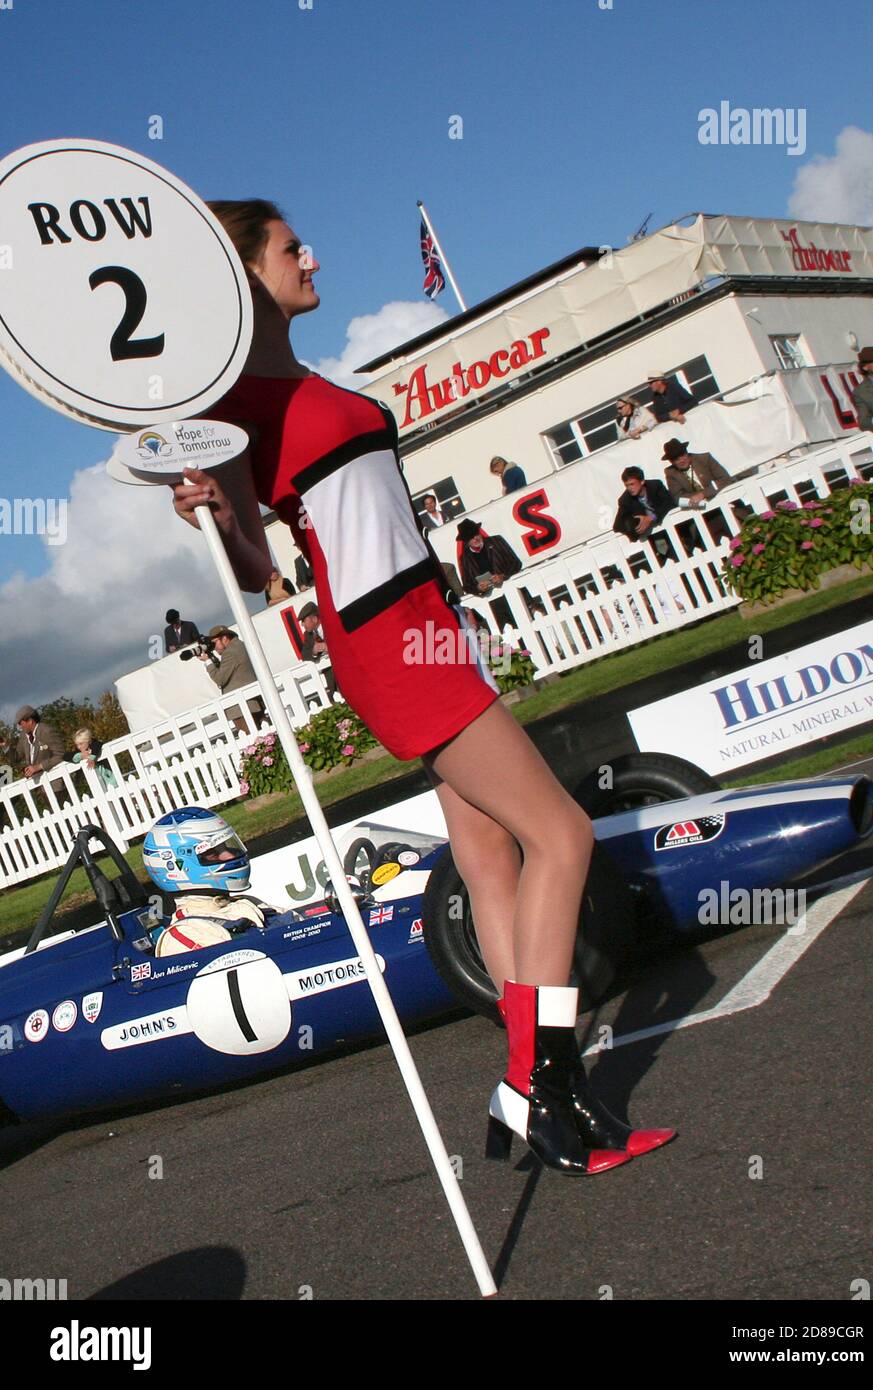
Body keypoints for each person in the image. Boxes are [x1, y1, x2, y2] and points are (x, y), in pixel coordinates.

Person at [171, 198, 673, 1174]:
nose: (311, 255)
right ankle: (542, 1088)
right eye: (288, 248)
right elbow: (249, 568)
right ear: (245, 271)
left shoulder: (307, 378)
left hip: (428, 615)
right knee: (561, 834)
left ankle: (528, 1089)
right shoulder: (230, 412)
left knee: (489, 855)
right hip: (386, 636)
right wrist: (203, 508)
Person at [142, 807, 271, 956]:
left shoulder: (247, 903)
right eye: (212, 853)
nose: (229, 856)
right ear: (178, 867)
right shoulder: (184, 935)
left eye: (226, 847)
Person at [199, 626, 265, 734]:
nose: (214, 648)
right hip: (253, 702)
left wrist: (208, 662)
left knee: (254, 742)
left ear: (224, 638)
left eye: (214, 643)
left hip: (241, 708)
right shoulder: (241, 645)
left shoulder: (230, 652)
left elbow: (219, 679)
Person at [455, 519, 523, 596]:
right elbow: (467, 586)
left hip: (512, 587)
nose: (475, 539)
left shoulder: (497, 541)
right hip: (491, 599)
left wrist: (502, 576)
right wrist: (478, 588)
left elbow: (516, 563)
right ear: (466, 541)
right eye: (470, 537)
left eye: (476, 534)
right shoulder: (465, 558)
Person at [612, 467, 674, 547]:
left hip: (671, 523)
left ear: (642, 481)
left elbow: (669, 502)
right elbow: (617, 526)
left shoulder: (656, 485)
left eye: (632, 484)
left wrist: (651, 518)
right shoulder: (625, 500)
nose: (629, 488)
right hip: (651, 536)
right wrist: (635, 525)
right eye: (626, 485)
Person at [297, 600, 339, 699]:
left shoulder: (331, 623)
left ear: (315, 619)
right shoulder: (308, 635)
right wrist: (314, 652)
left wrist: (329, 647)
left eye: (304, 621)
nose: (302, 625)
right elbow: (304, 656)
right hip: (331, 676)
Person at [14, 705, 65, 779]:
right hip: (39, 786)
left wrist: (39, 766)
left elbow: (61, 755)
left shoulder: (46, 731)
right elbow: (16, 758)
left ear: (30, 721)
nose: (20, 727)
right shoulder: (23, 736)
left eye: (21, 724)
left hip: (55, 782)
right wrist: (5, 746)